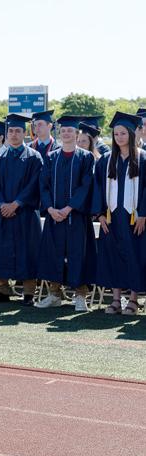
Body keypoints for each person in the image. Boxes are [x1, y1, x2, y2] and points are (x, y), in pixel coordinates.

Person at [35, 116, 97, 311]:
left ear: (77, 134)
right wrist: (51, 209)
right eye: (63, 131)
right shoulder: (51, 157)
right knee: (53, 254)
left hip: (77, 217)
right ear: (59, 133)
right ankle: (54, 294)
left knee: (78, 254)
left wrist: (69, 208)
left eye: (70, 130)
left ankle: (80, 296)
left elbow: (86, 186)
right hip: (54, 217)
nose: (67, 133)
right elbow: (43, 186)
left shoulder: (86, 158)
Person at [91, 112, 146, 315]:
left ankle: (133, 299)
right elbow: (96, 188)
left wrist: (144, 214)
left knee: (134, 256)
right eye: (116, 134)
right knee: (112, 256)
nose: (119, 137)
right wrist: (100, 214)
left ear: (131, 134)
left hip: (134, 218)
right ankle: (115, 299)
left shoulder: (143, 158)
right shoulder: (105, 160)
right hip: (112, 218)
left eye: (123, 133)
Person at [0, 114, 43, 305]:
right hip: (3, 213)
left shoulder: (34, 157)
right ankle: (2, 290)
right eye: (10, 131)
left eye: (18, 131)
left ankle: (28, 293)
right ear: (6, 133)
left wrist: (17, 203)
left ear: (25, 133)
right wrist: (2, 204)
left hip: (25, 213)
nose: (14, 134)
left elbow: (35, 184)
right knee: (1, 250)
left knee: (28, 251)